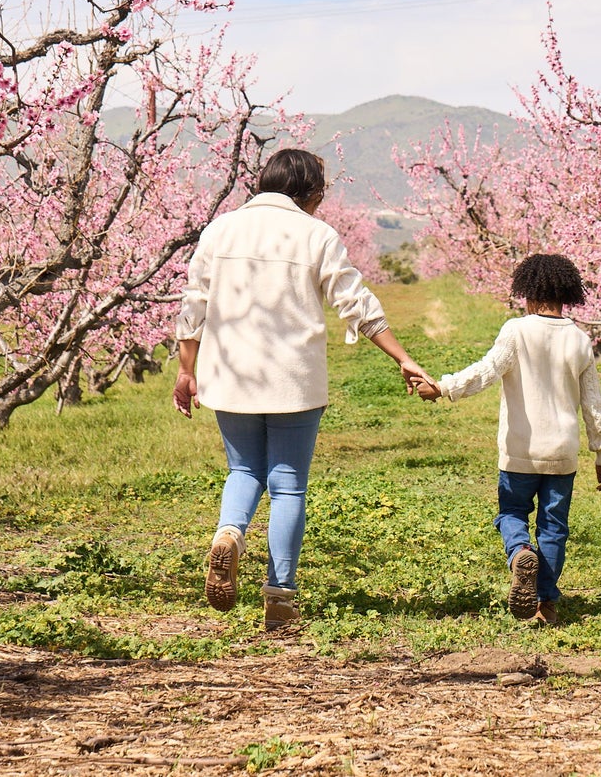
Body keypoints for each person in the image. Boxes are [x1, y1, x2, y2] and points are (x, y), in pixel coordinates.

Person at [172, 148, 433, 632]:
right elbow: (356, 303)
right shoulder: (316, 235)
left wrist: (187, 371)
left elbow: (194, 305)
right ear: (311, 193)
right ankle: (280, 599)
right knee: (287, 485)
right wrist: (404, 358)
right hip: (293, 380)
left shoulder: (220, 230)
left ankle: (229, 535)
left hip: (229, 377)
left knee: (244, 470)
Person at [412, 253, 601, 624]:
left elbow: (486, 371)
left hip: (520, 450)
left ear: (529, 292)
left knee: (511, 512)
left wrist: (442, 388)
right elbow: (593, 403)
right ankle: (546, 604)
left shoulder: (516, 331)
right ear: (566, 292)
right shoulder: (580, 339)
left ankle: (520, 551)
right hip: (563, 453)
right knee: (554, 528)